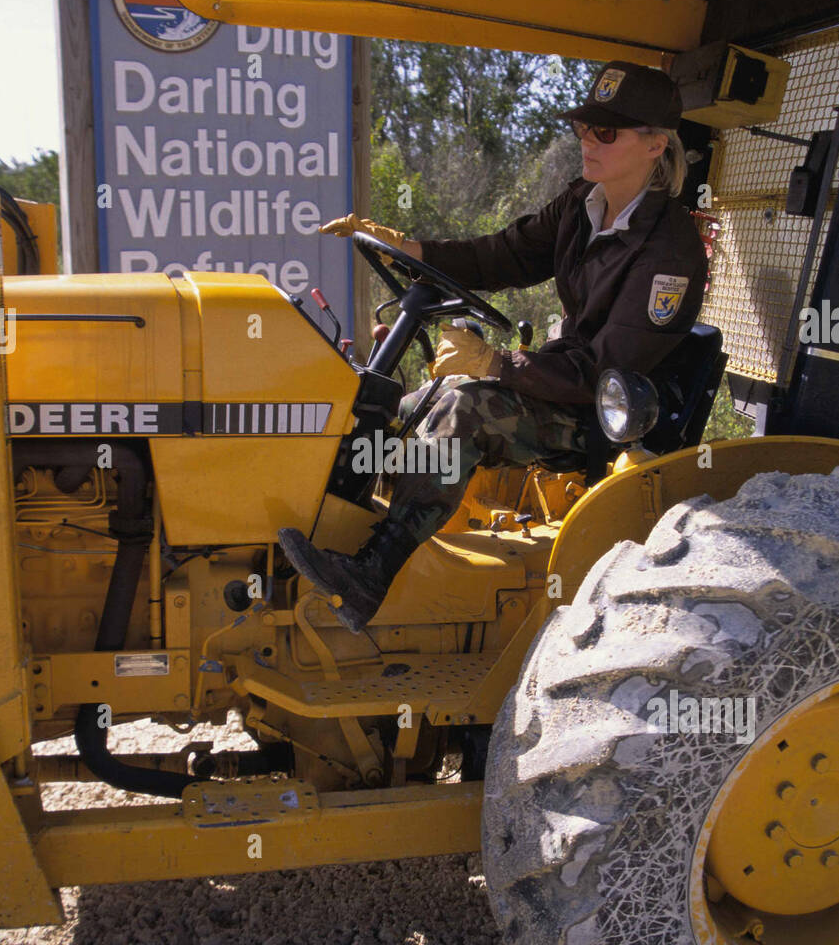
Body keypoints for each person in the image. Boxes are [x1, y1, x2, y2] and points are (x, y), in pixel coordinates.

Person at [279, 60, 708, 633]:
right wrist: (411, 247)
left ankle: (373, 577)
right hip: (563, 383)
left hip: (608, 416)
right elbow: (501, 255)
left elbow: (602, 373)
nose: (588, 141)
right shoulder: (584, 204)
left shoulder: (670, 252)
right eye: (583, 127)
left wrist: (497, 364)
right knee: (417, 403)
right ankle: (357, 533)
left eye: (606, 132)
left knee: (467, 409)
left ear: (656, 145)